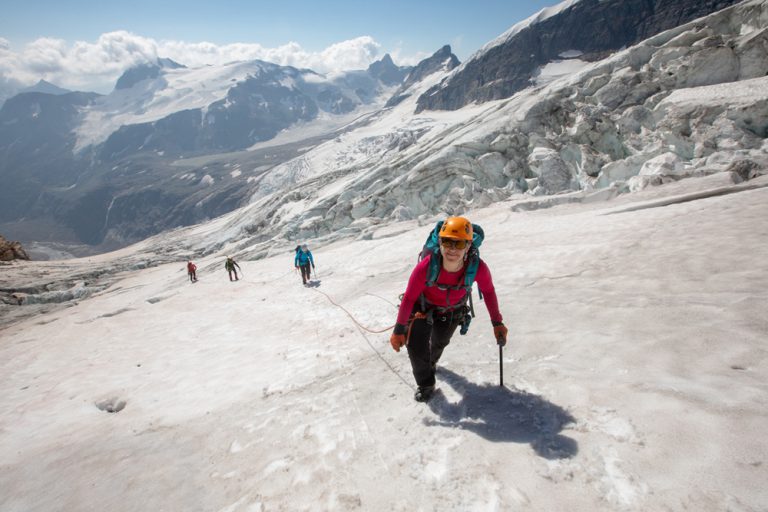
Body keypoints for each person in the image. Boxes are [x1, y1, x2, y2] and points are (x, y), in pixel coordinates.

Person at [389, 216, 508, 402]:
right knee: (416, 345)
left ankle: (432, 363)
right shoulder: (426, 267)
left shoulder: (477, 268)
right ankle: (426, 383)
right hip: (422, 307)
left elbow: (489, 292)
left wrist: (497, 322)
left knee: (439, 342)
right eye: (447, 242)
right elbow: (410, 297)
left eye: (459, 244)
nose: (452, 249)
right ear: (440, 243)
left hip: (451, 310)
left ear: (468, 246)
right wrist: (399, 329)